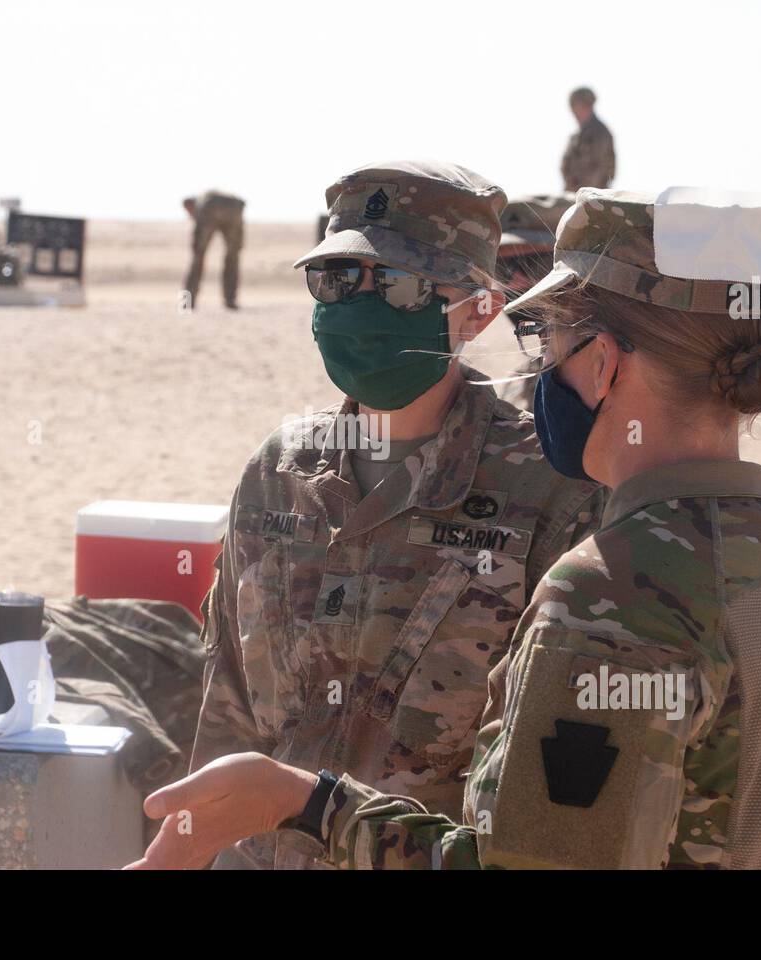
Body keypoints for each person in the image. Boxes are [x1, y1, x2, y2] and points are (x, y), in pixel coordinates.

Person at [129, 187, 761, 871]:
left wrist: (308, 805)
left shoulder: (610, 596)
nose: (540, 373)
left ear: (603, 363)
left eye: (548, 341)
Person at [185, 160, 605, 869]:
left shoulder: (551, 490)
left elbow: (551, 783)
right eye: (337, 280)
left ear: (480, 308)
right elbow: (225, 711)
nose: (359, 305)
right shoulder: (277, 476)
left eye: (401, 287)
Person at [495, 193, 574, 411]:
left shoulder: (628, 374)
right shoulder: (516, 387)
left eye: (535, 264)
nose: (518, 280)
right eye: (503, 268)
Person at [182, 190, 246, 310]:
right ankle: (230, 300)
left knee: (197, 258)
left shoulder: (202, 202)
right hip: (234, 207)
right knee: (233, 257)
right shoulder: (211, 197)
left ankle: (187, 302)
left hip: (211, 207)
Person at [560, 87, 615, 192]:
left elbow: (602, 169)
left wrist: (585, 193)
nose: (573, 111)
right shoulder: (575, 137)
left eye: (575, 106)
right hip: (575, 196)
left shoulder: (600, 133)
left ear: (587, 106)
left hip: (593, 199)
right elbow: (566, 167)